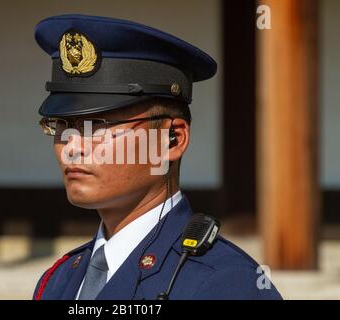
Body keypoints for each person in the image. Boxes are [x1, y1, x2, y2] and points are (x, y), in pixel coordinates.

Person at [32, 14, 282, 300]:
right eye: (62, 126)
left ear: (172, 139)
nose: (72, 146)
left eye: (98, 126)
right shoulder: (59, 281)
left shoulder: (226, 285)